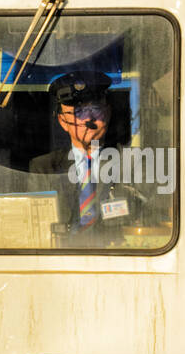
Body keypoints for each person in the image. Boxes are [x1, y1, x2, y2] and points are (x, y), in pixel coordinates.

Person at [29, 70, 155, 237]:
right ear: (62, 121)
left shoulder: (134, 163)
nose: (88, 120)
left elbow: (152, 215)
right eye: (77, 112)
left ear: (108, 113)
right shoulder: (44, 168)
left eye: (95, 109)